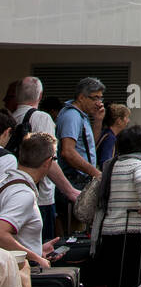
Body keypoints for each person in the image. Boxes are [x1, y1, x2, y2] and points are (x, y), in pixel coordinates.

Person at [8, 78, 81, 240]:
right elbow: (49, 159)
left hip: (14, 192)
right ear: (40, 96)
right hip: (40, 197)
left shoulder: (11, 118)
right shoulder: (41, 118)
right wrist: (70, 190)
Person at [91, 124, 141, 287]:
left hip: (110, 228)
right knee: (133, 279)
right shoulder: (139, 163)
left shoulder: (112, 164)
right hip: (134, 229)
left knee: (113, 279)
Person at [0, 133, 59, 268]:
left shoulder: (7, 183)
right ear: (48, 162)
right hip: (18, 274)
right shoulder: (23, 194)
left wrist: (38, 249)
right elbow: (1, 234)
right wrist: (36, 258)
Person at [56, 77, 104, 233]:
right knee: (75, 230)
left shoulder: (81, 116)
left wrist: (97, 121)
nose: (99, 102)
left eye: (100, 98)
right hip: (74, 180)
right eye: (95, 98)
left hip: (80, 179)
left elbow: (89, 147)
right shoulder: (72, 116)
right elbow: (68, 152)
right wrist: (96, 173)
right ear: (82, 97)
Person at [96, 103, 131, 169]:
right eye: (127, 118)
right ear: (119, 121)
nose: (128, 121)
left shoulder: (106, 133)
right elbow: (106, 163)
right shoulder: (110, 138)